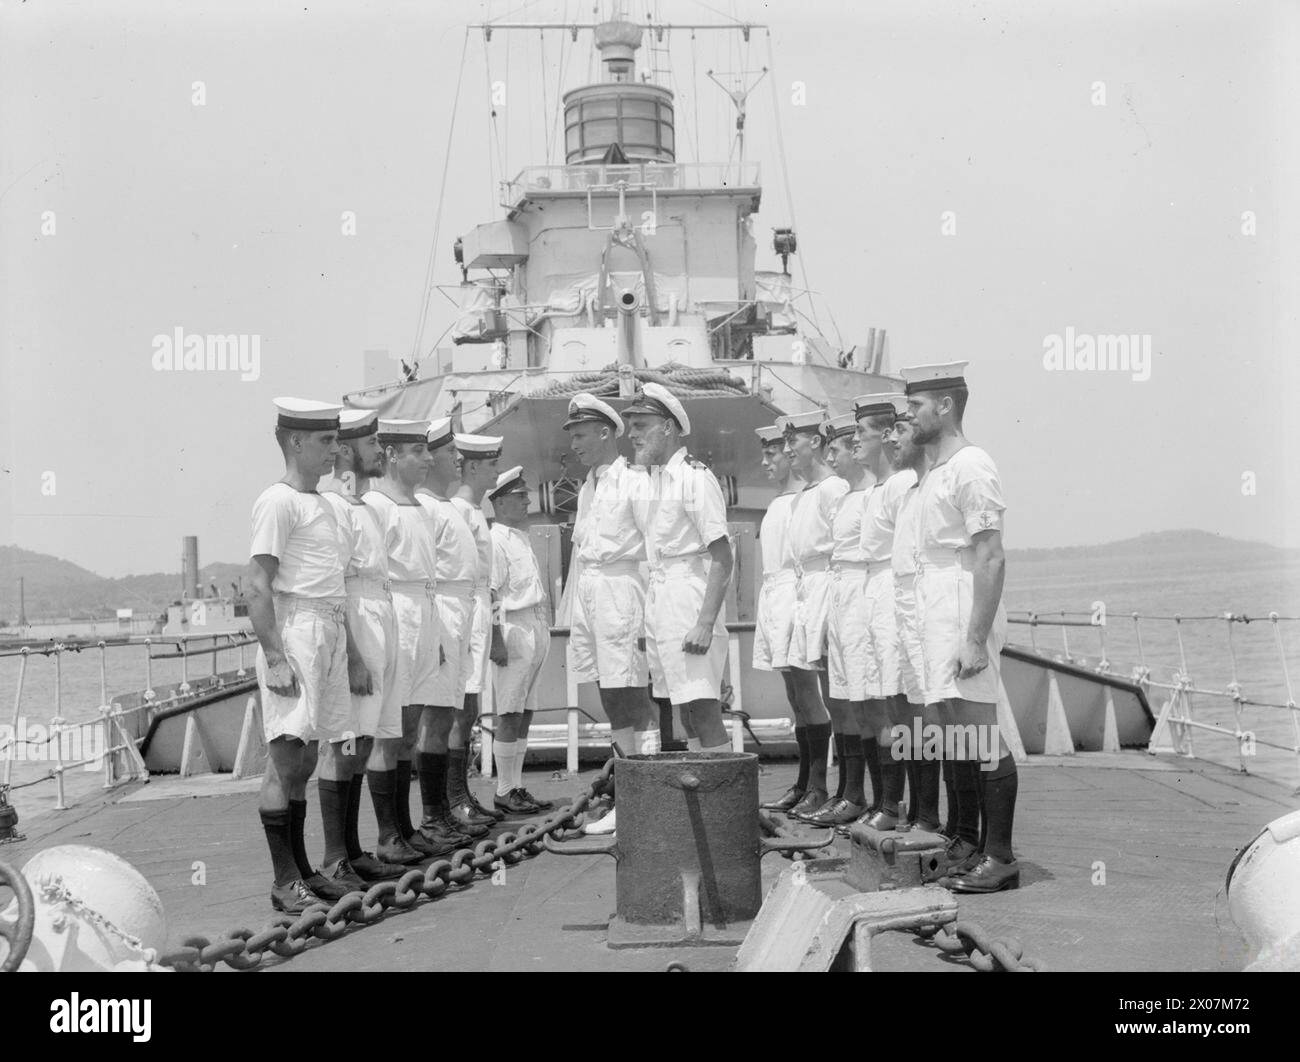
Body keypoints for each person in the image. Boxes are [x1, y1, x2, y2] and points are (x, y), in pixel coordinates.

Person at [902, 361, 1017, 893]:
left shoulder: (972, 465)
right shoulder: (935, 474)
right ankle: (969, 843)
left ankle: (1001, 857)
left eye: (915, 407)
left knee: (983, 734)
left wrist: (975, 638)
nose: (909, 416)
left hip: (961, 602)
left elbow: (990, 557)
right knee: (957, 734)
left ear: (944, 406)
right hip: (936, 606)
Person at [247, 398, 354, 912]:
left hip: (327, 627)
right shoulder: (278, 501)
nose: (335, 450)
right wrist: (274, 656)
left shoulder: (328, 503)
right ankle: (283, 879)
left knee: (308, 758)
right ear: (295, 441)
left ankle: (305, 871)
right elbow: (257, 585)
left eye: (335, 440)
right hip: (295, 632)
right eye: (325, 441)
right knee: (285, 759)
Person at [318, 409, 410, 881]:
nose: (381, 451)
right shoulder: (332, 504)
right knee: (347, 739)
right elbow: (333, 583)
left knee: (368, 736)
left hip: (381, 613)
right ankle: (336, 857)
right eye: (373, 443)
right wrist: (352, 654)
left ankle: (354, 851)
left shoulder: (367, 505)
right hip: (355, 617)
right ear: (350, 449)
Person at [363, 418, 459, 859]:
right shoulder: (376, 506)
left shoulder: (421, 507)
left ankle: (405, 828)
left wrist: (434, 633)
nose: (429, 459)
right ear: (391, 456)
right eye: (417, 452)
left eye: (428, 450)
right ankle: (387, 835)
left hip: (425, 610)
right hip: (396, 612)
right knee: (389, 729)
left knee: (408, 730)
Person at [562, 393, 655, 837]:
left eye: (580, 435)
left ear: (605, 432)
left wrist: (652, 615)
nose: (575, 445)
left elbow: (653, 547)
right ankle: (628, 788)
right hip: (591, 592)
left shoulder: (634, 482)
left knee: (629, 689)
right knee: (607, 687)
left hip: (622, 590)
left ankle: (641, 793)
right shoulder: (589, 487)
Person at [624, 383, 734, 757]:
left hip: (689, 598)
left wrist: (704, 623)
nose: (632, 435)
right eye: (631, 426)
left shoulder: (694, 478)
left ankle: (725, 806)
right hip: (662, 599)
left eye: (641, 425)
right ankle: (701, 801)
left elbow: (722, 556)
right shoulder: (655, 481)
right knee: (684, 712)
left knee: (703, 709)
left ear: (668, 427)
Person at [412, 419, 490, 842]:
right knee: (437, 717)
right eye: (449, 454)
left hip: (460, 613)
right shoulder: (425, 509)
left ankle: (445, 809)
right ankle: (435, 813)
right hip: (441, 614)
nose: (457, 461)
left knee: (450, 713)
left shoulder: (445, 508)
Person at [848, 393, 918, 832]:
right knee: (876, 704)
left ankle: (899, 805)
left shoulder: (899, 485)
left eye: (861, 433)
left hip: (891, 592)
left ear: (884, 436)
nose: (855, 441)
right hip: (869, 593)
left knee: (898, 705)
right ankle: (884, 800)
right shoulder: (874, 489)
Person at [802, 411, 873, 827]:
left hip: (861, 599)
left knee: (863, 705)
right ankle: (850, 793)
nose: (831, 454)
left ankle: (865, 797)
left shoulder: (864, 495)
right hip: (837, 597)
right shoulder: (844, 496)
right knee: (839, 701)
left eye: (839, 446)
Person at [779, 409, 844, 821]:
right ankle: (819, 788)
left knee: (836, 696)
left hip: (827, 588)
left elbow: (843, 547)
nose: (787, 451)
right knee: (815, 693)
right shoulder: (806, 494)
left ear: (816, 442)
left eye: (793, 442)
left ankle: (837, 790)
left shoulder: (833, 488)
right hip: (806, 590)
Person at [883, 400, 942, 836]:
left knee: (936, 720)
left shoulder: (937, 485)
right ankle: (923, 815)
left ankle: (939, 821)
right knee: (912, 717)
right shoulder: (907, 492)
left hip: (931, 613)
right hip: (906, 614)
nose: (893, 437)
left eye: (900, 428)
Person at [752, 424, 815, 811]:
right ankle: (805, 783)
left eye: (772, 454)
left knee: (808, 694)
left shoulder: (800, 501)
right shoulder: (779, 502)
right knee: (795, 697)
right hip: (775, 596)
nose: (765, 462)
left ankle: (818, 786)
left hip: (794, 597)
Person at [486, 466, 554, 815]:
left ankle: (516, 785)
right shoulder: (495, 539)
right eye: (519, 496)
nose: (527, 501)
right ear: (499, 502)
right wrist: (497, 639)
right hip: (512, 628)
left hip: (535, 627)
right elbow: (493, 593)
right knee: (509, 711)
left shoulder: (521, 536)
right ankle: (503, 789)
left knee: (525, 711)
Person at [448, 433, 507, 826]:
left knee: (469, 709)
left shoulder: (474, 511)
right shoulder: (459, 512)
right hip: (465, 611)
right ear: (472, 467)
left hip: (478, 611)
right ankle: (453, 800)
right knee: (459, 710)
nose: (496, 472)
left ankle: (461, 794)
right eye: (491, 465)